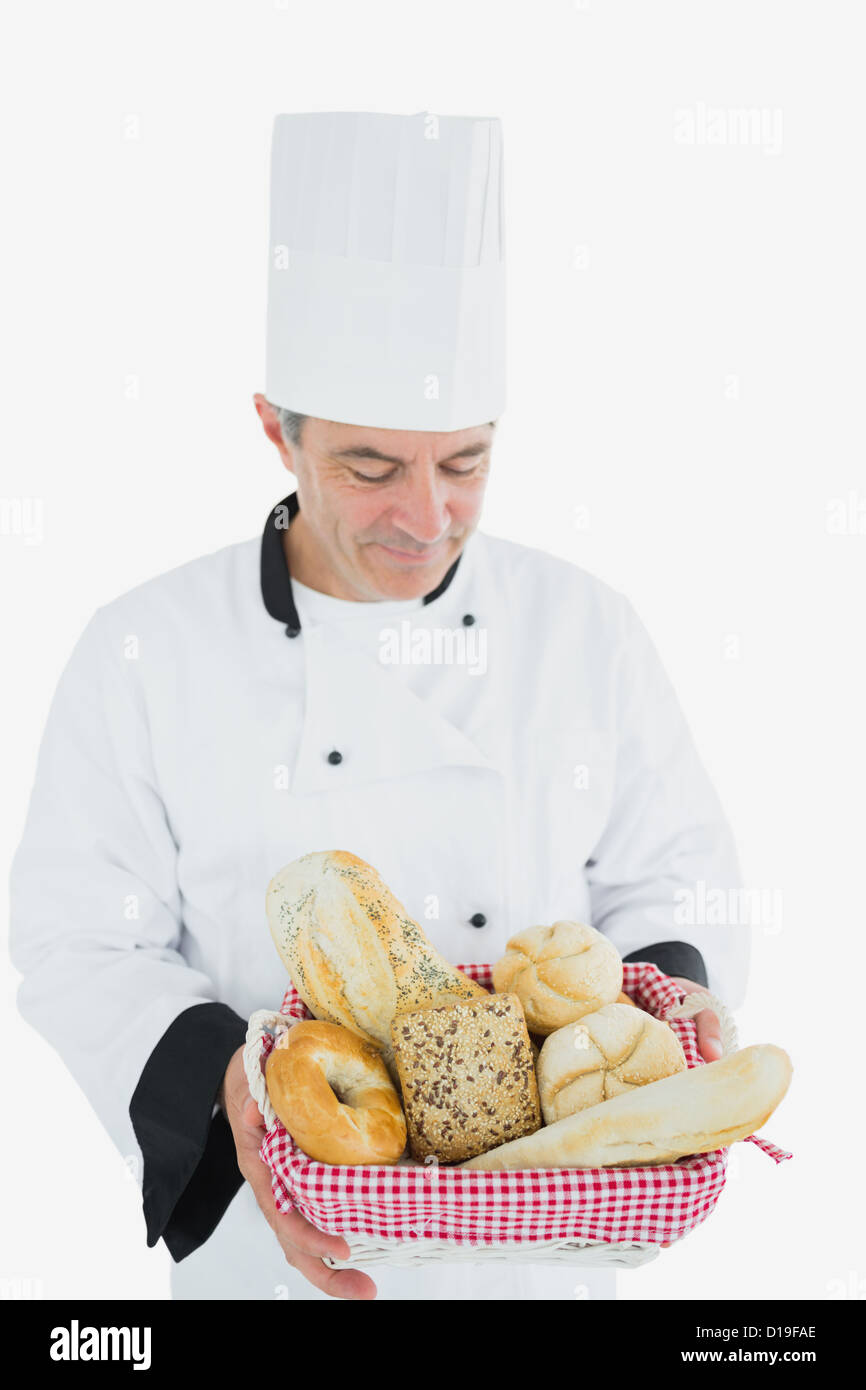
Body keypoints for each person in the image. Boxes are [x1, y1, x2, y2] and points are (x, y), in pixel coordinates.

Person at [9, 111, 749, 1301]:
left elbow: (666, 879)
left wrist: (680, 999)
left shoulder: (585, 630)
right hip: (279, 1251)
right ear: (274, 430)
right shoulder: (146, 650)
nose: (424, 518)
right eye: (367, 468)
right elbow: (77, 935)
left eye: (464, 463)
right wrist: (228, 1086)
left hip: (548, 1256)